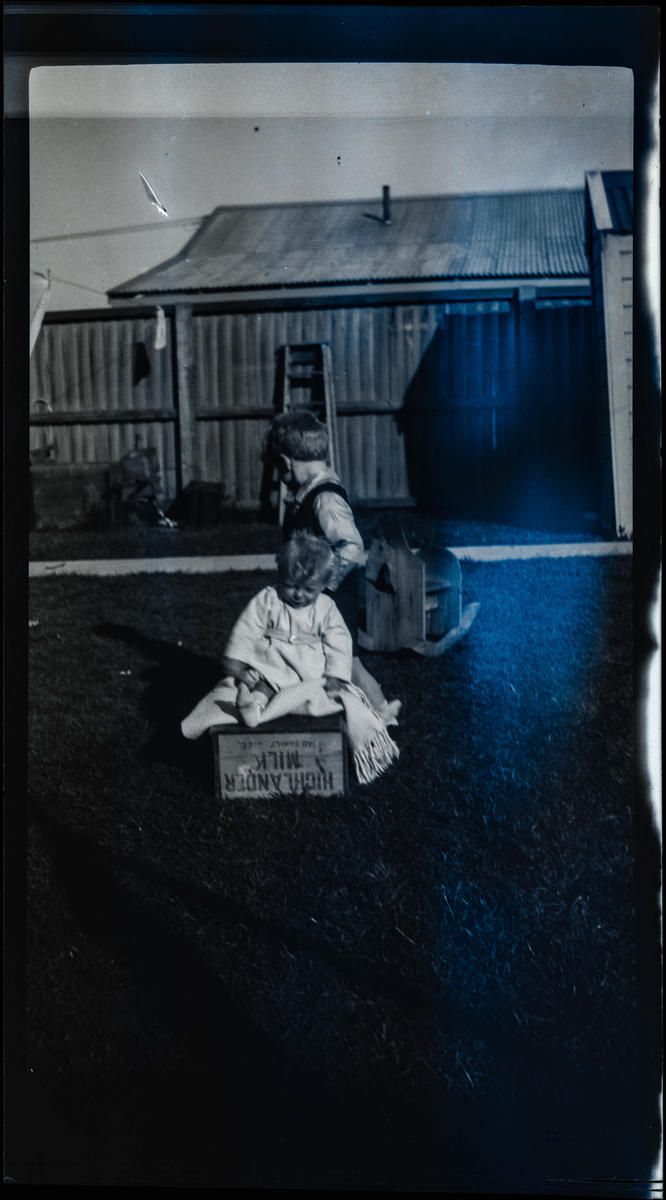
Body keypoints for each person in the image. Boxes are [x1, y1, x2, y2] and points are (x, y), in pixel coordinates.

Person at [262, 411, 400, 724]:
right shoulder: (310, 493)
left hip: (334, 600)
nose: (282, 480)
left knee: (347, 661)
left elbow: (351, 546)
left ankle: (381, 715)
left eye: (279, 471)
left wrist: (321, 583)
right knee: (318, 658)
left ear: (286, 463)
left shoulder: (325, 499)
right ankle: (316, 710)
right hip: (318, 599)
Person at [219, 531, 351, 727]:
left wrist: (336, 674)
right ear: (280, 576)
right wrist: (234, 658)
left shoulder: (325, 607)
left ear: (322, 586)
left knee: (321, 693)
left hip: (309, 669)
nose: (298, 594)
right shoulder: (269, 598)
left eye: (308, 590)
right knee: (263, 687)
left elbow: (339, 642)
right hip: (272, 664)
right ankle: (253, 708)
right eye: (290, 585)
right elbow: (247, 628)